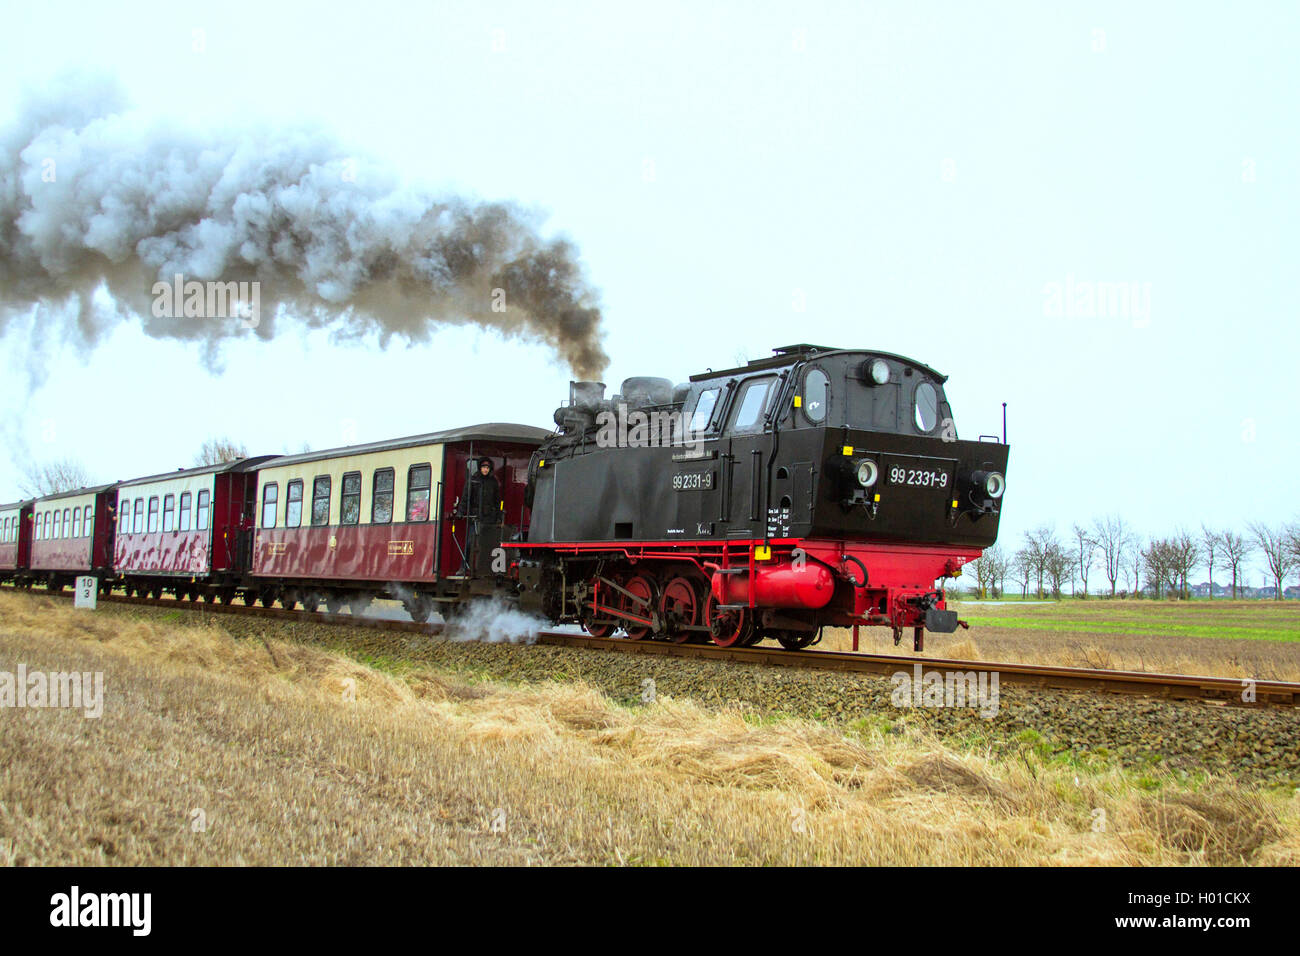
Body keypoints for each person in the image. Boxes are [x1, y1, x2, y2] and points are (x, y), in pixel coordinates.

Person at [457, 458, 501, 575]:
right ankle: (463, 566)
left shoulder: (493, 482)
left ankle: (487, 568)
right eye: (483, 467)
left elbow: (497, 500)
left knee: (488, 544)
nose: (485, 470)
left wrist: (498, 516)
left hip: (489, 518)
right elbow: (465, 498)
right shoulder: (473, 481)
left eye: (487, 468)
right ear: (480, 468)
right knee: (470, 542)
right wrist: (461, 512)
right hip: (475, 517)